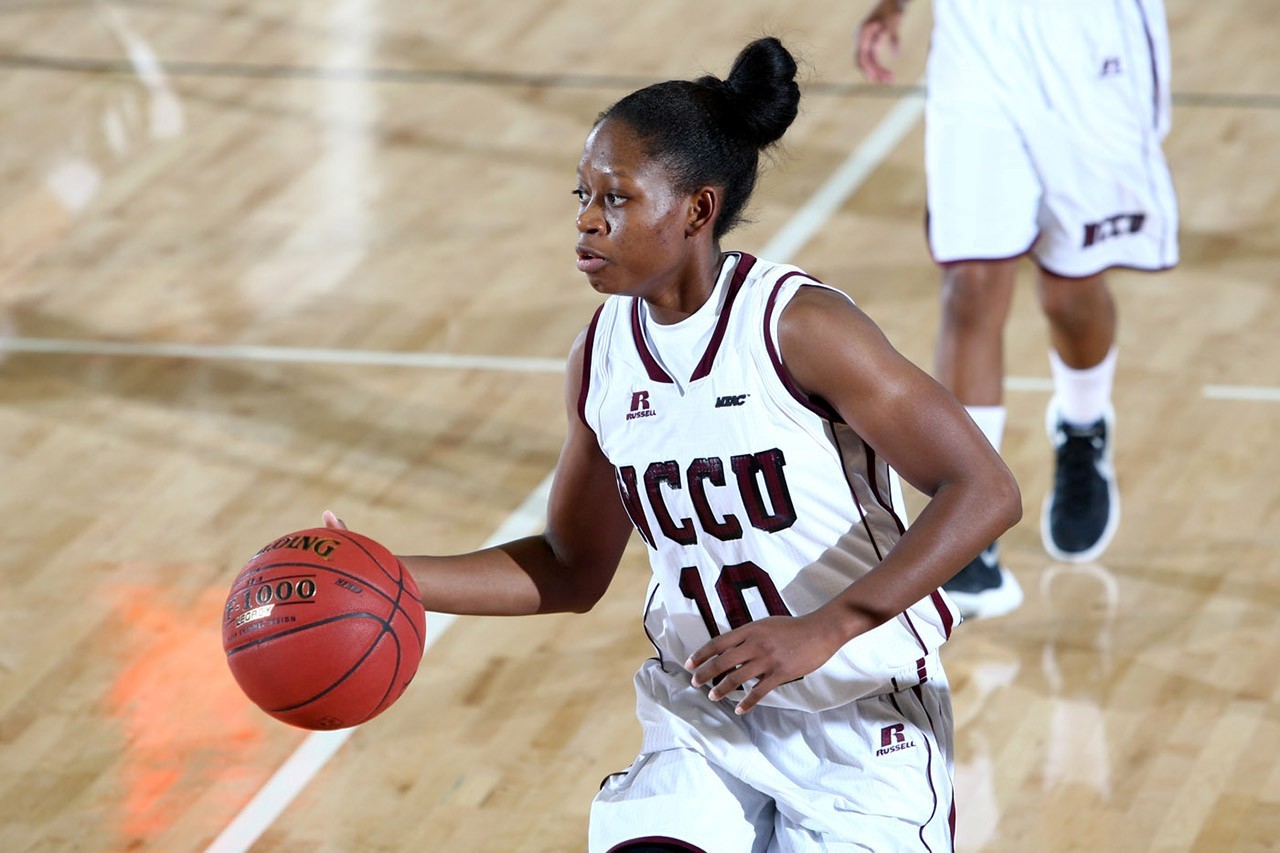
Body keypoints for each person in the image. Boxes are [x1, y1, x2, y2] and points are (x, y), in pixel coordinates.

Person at [327, 37, 1021, 852]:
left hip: (857, 721)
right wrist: (385, 576)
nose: (587, 219)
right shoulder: (603, 355)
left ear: (697, 210)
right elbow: (570, 565)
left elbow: (985, 489)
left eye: (616, 198)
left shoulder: (799, 327)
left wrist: (827, 626)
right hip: (704, 719)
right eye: (583, 193)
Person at [855, 0, 1179, 619]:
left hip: (1089, 42)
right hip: (977, 39)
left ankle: (1083, 425)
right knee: (971, 285)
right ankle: (970, 528)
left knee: (1070, 290)